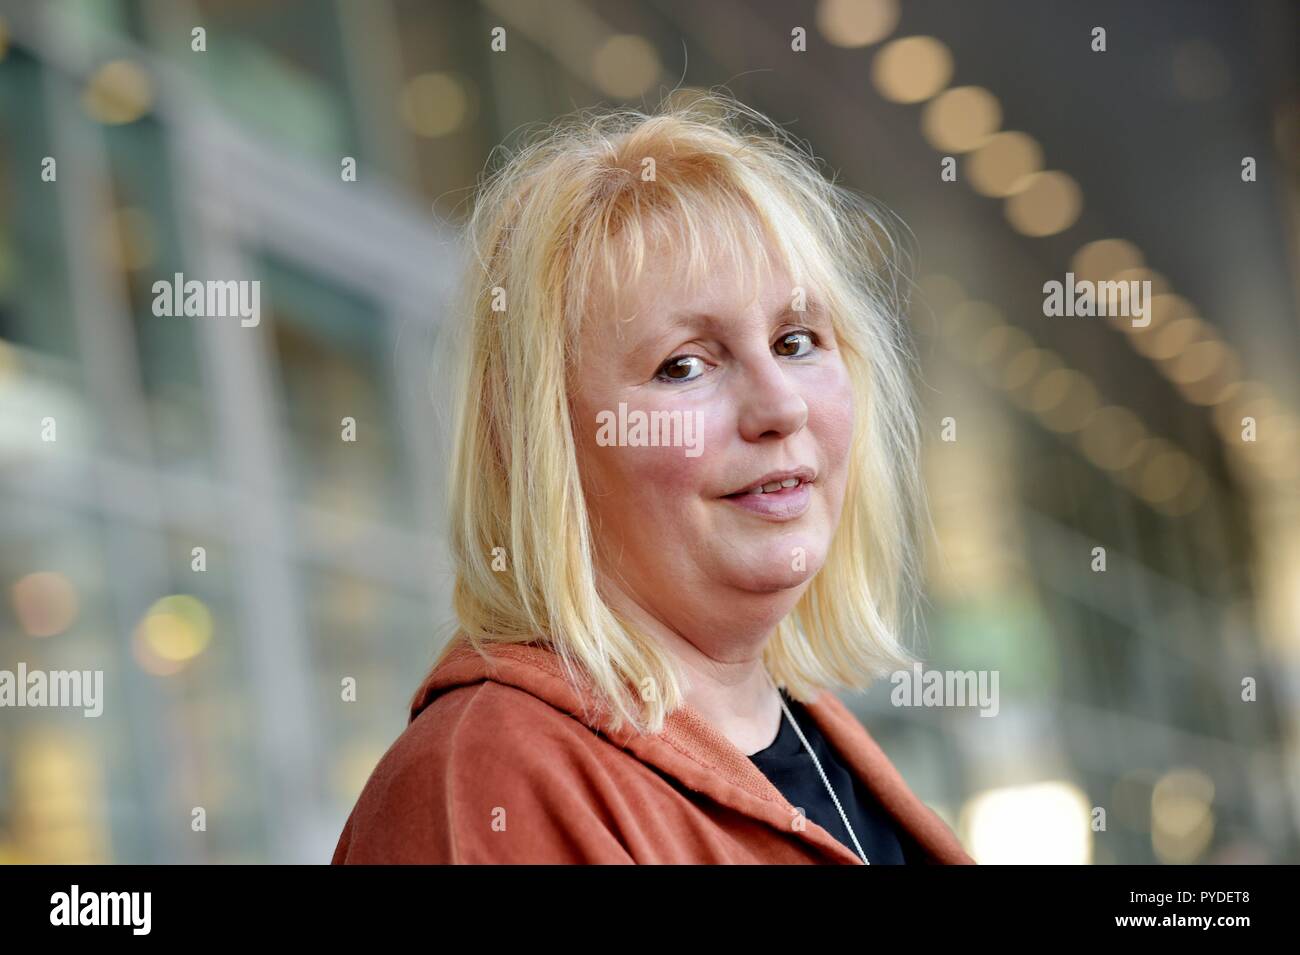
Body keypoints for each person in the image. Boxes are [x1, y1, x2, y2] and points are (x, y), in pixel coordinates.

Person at [332, 90, 973, 865]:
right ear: (544, 449)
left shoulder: (818, 740)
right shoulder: (490, 778)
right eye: (685, 365)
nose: (779, 405)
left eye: (798, 340)